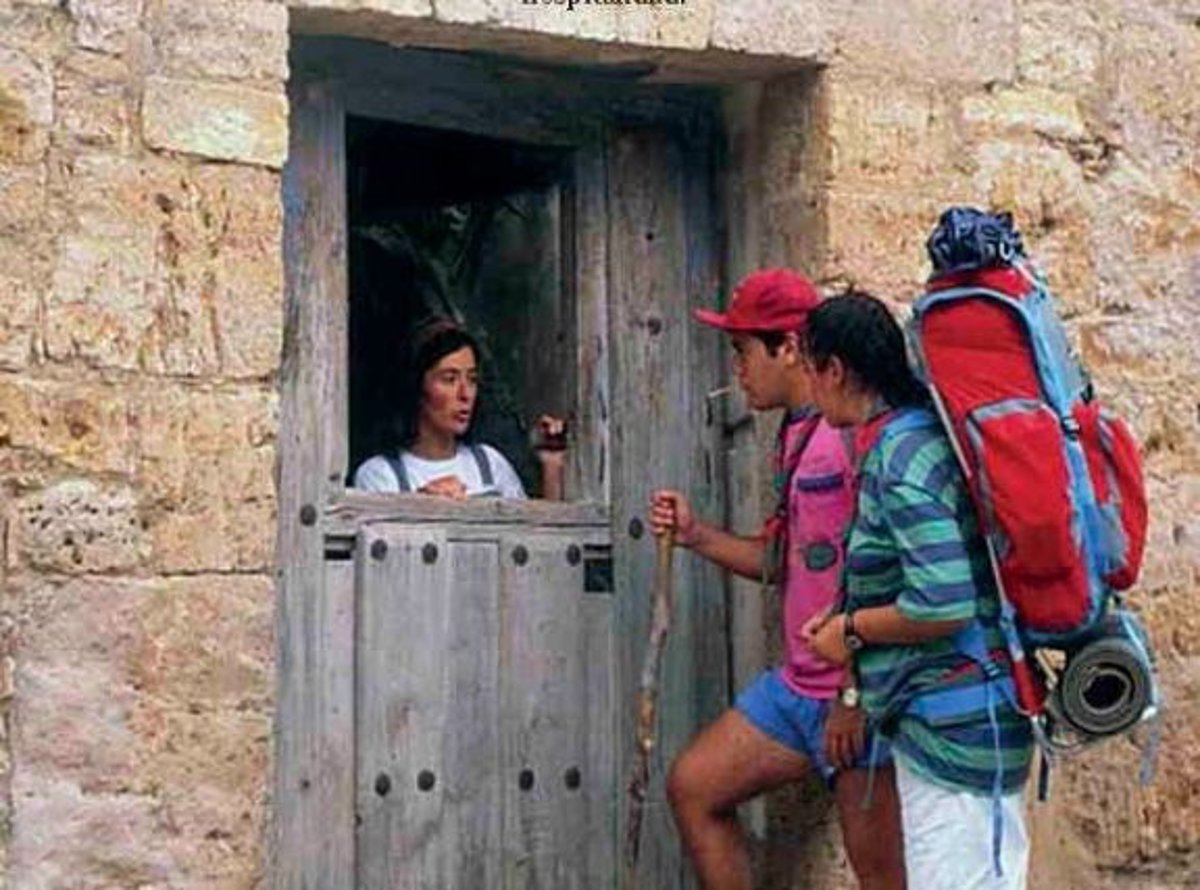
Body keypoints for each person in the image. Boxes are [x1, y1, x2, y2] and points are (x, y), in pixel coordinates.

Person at [649, 269, 905, 890]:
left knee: (883, 881)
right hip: (797, 689)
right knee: (694, 785)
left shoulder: (850, 435)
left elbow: (881, 567)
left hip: (855, 698)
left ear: (789, 347)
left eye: (742, 350)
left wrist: (852, 693)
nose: (737, 368)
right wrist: (697, 534)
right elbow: (785, 560)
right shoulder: (797, 435)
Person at [803, 292, 1034, 890]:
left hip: (958, 731)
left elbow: (943, 600)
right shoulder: (906, 441)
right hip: (951, 723)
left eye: (810, 366)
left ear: (835, 370)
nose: (808, 383)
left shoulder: (902, 456)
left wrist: (849, 632)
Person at [353, 318, 567, 500]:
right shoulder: (380, 475)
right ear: (416, 386)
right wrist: (421, 506)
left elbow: (534, 537)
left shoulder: (490, 464)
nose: (465, 394)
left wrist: (551, 466)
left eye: (472, 380)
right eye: (449, 379)